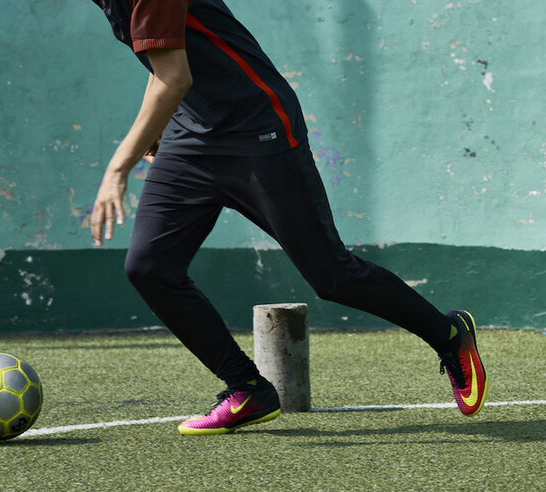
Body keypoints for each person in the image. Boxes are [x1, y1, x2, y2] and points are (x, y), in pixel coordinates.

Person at [87, 0, 487, 435]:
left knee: (332, 275)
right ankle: (247, 388)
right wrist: (158, 128)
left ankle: (448, 335)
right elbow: (166, 62)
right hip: (193, 136)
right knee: (150, 267)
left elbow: (174, 76)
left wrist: (117, 168)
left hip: (258, 129)